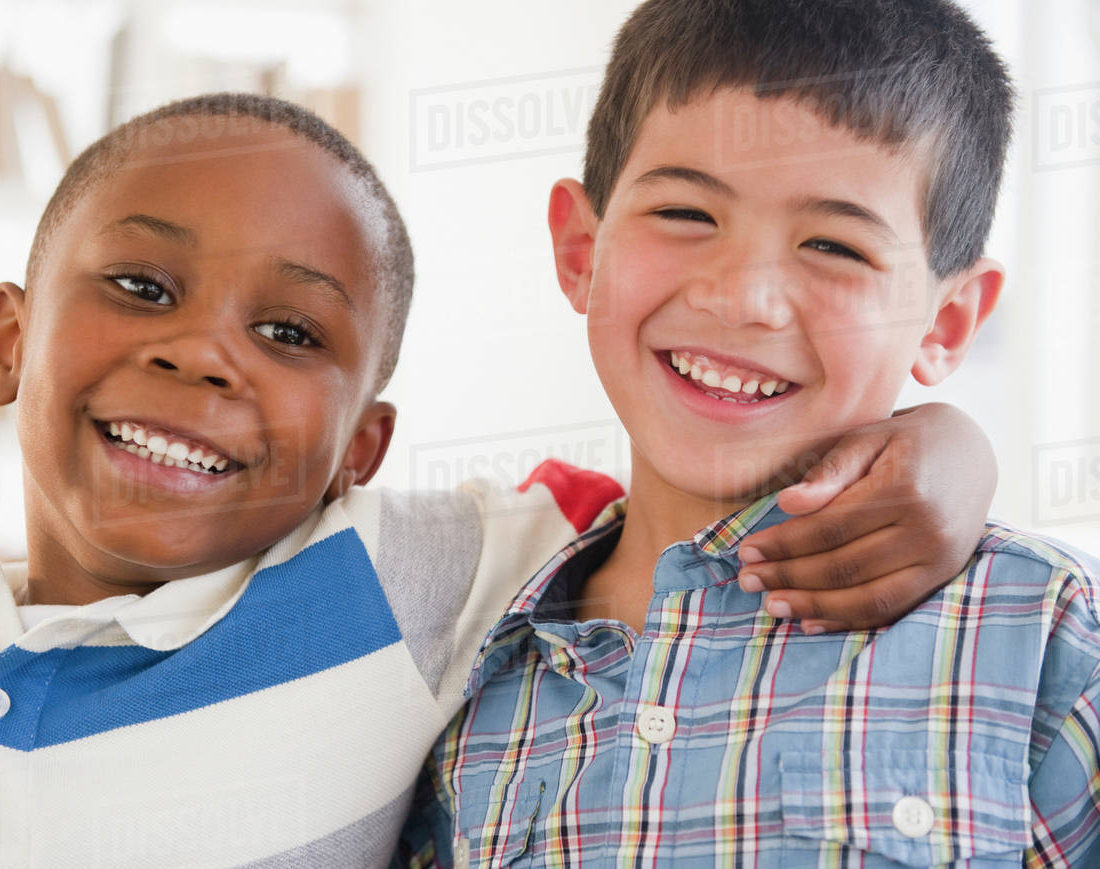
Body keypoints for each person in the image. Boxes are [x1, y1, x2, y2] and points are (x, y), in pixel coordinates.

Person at [0, 91, 991, 867]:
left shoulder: (394, 580)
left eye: (289, 331)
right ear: (4, 342)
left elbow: (651, 514)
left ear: (362, 450)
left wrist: (944, 447)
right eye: (143, 285)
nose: (201, 354)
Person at [396, 0, 1100, 866]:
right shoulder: (470, 670)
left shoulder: (1044, 635)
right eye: (686, 214)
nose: (742, 298)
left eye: (835, 247)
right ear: (582, 251)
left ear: (946, 321)